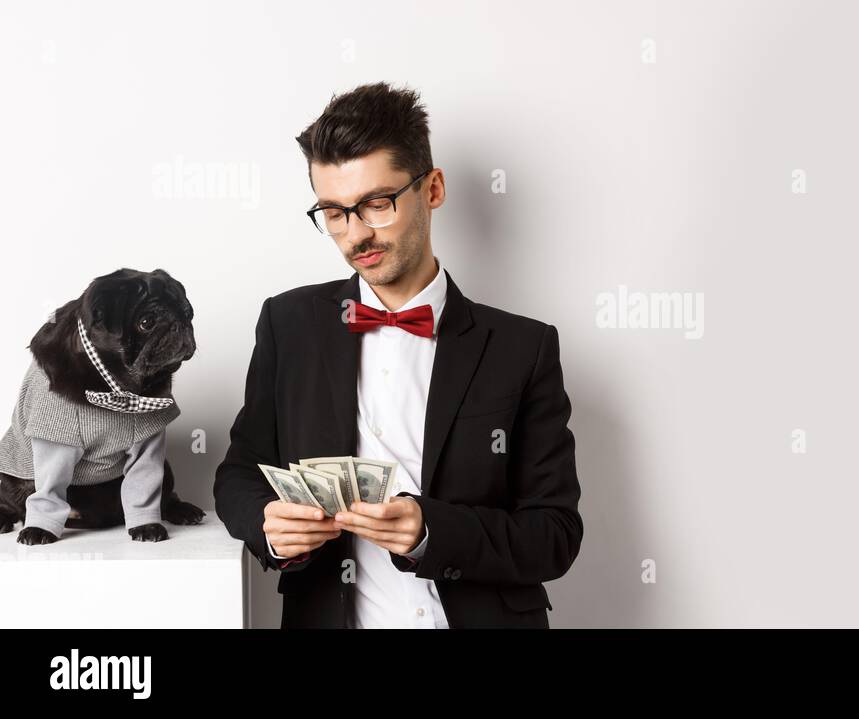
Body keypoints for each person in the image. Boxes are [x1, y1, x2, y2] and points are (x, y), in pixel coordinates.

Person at [213, 82, 583, 628]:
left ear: (432, 189)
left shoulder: (523, 348)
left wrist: (430, 531)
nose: (356, 234)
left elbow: (554, 535)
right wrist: (267, 523)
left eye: (376, 204)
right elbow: (238, 474)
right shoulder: (287, 325)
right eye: (334, 212)